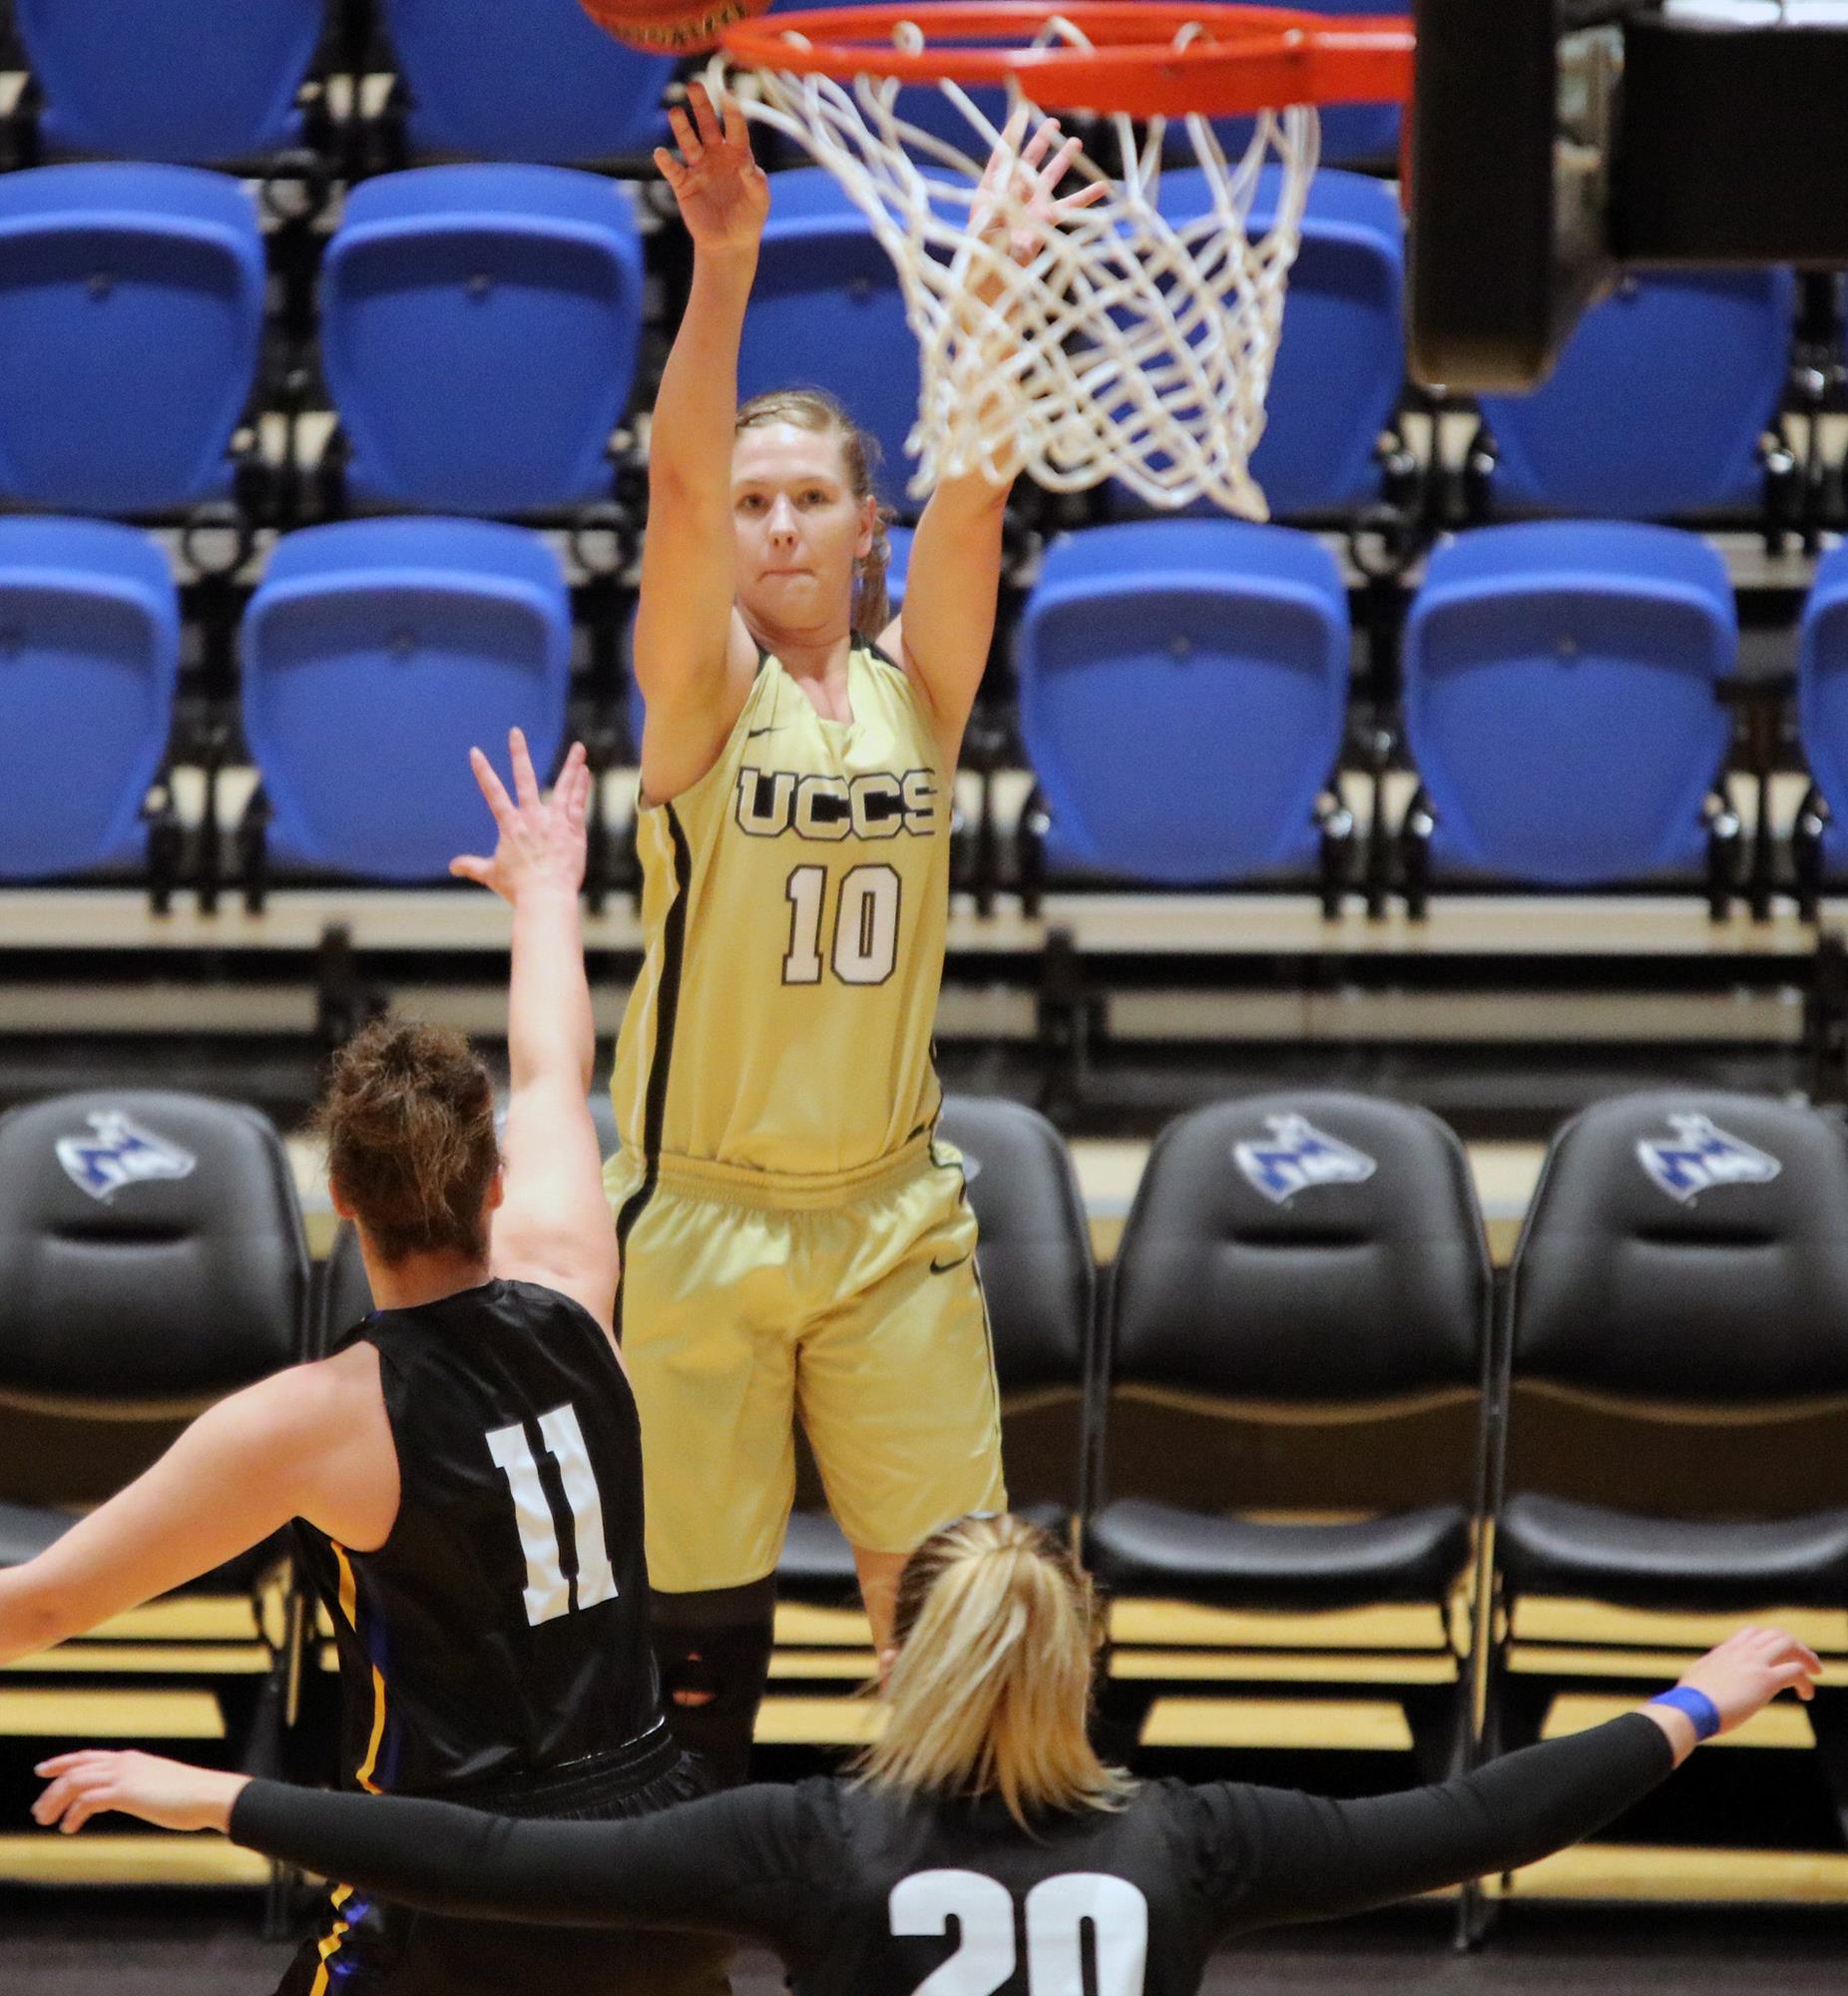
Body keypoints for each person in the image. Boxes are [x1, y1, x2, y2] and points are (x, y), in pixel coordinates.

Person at [2, 731, 725, 1996]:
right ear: (495, 1184)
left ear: (338, 1197)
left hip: (461, 1874)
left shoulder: (316, 1419)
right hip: (657, 1856)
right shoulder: (573, 1277)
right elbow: (556, 1068)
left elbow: (44, 1607)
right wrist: (546, 890)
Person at [36, 1511, 1823, 1996]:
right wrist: (1688, 1706)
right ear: (1080, 1667)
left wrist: (220, 1794)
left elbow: (492, 1862)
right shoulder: (1193, 1840)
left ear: (899, 1663)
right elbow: (1473, 1818)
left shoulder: (812, 1843)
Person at [607, 79, 1107, 1782]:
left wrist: (996, 284)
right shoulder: (701, 696)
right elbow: (676, 499)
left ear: (859, 524)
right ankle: (682, 1913)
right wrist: (724, 266)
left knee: (951, 1634)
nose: (773, 524)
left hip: (891, 1219)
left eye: (808, 497)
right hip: (700, 1222)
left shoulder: (919, 693)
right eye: (756, 502)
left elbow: (978, 494)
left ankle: (938, 1906)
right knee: (692, 1667)